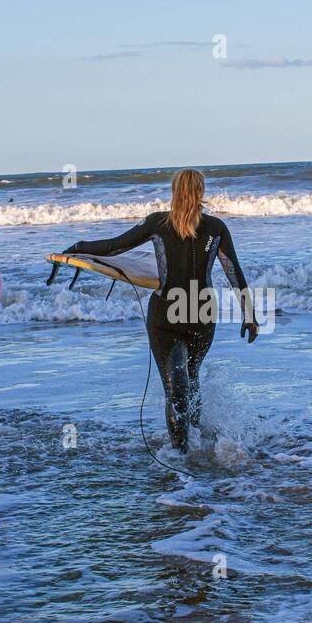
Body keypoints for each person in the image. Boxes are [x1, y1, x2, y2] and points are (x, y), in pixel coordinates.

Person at [63, 169, 258, 451]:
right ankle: (182, 455)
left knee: (186, 381)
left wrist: (81, 246)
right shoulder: (167, 224)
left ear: (175, 191)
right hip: (187, 315)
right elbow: (235, 275)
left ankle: (190, 449)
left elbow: (114, 247)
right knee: (180, 383)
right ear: (201, 192)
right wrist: (249, 315)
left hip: (192, 316)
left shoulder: (211, 228)